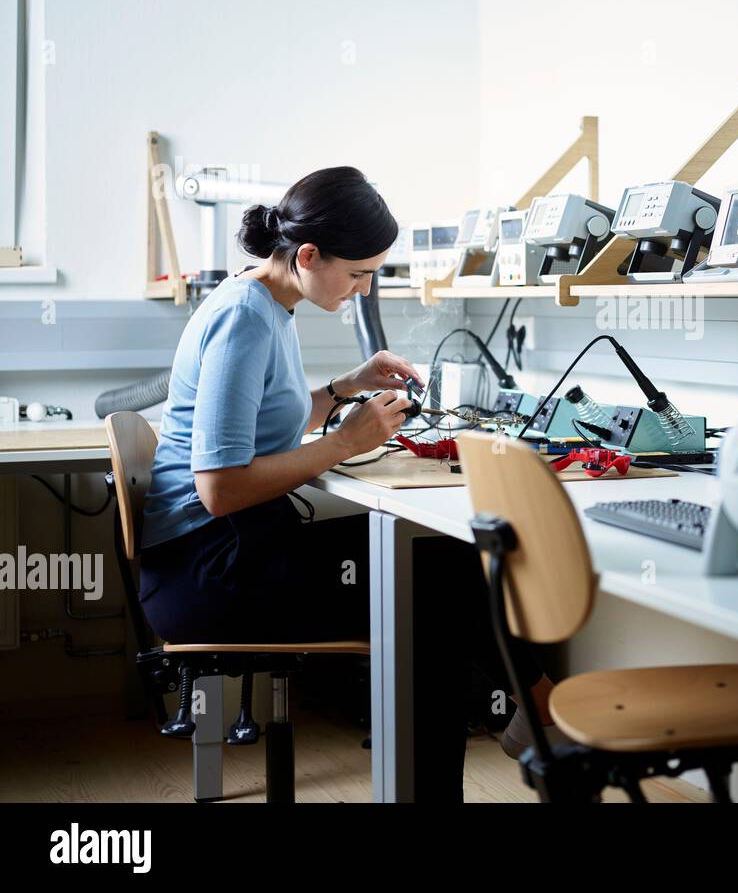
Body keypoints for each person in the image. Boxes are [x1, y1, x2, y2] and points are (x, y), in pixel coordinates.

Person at [137, 165, 556, 799]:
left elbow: (264, 422)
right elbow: (218, 487)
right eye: (359, 273)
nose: (364, 290)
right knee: (432, 586)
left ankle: (535, 709)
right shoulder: (245, 320)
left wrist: (345, 388)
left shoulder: (268, 303)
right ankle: (535, 715)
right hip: (207, 569)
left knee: (437, 556)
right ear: (308, 254)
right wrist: (342, 442)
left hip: (232, 545)